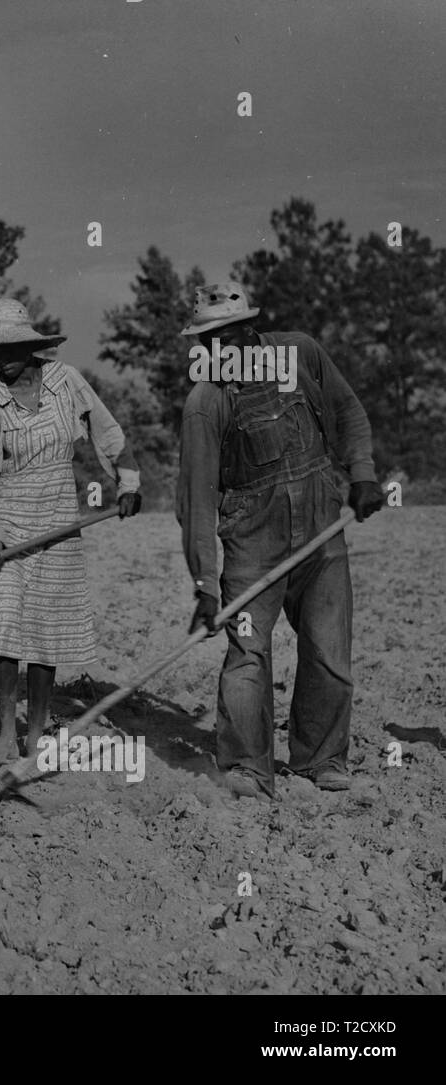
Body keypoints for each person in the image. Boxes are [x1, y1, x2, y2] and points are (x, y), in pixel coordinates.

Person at [177, 282, 383, 800]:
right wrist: (204, 582)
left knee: (329, 649)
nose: (223, 351)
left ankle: (321, 758)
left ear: (251, 329)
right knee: (248, 652)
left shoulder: (301, 353)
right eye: (210, 343)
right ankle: (248, 766)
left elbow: (349, 411)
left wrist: (361, 475)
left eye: (232, 336)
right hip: (251, 536)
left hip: (320, 526)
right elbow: (196, 500)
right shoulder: (206, 401)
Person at [0, 298, 142, 764]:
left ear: (32, 345)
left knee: (45, 630)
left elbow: (107, 433)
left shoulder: (68, 382)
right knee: (4, 623)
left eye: (13, 347)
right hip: (7, 522)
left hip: (59, 518)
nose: (4, 359)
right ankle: (3, 733)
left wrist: (128, 482)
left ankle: (35, 732)